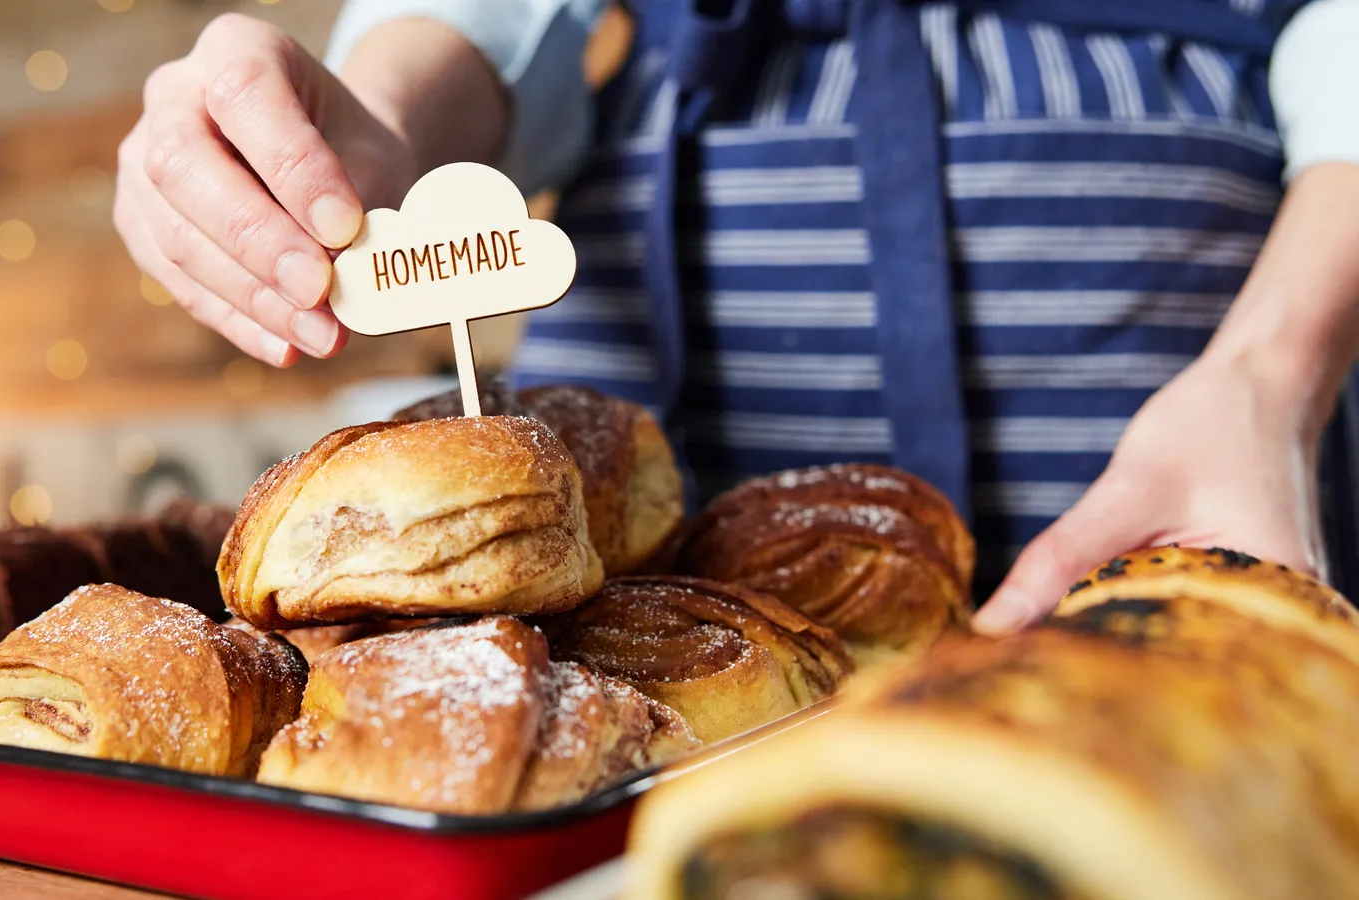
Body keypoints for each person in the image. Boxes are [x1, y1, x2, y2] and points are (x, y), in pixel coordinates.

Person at [112, 0, 1359, 631]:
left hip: (1211, 438)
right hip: (660, 623)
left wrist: (1274, 375)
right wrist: (375, 120)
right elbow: (499, 24)